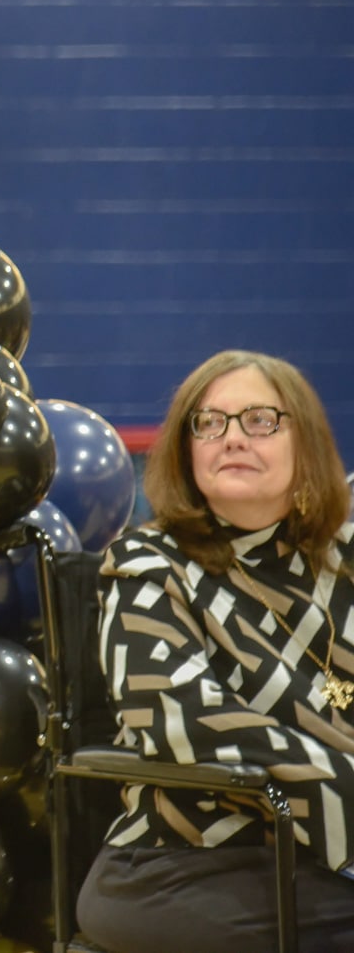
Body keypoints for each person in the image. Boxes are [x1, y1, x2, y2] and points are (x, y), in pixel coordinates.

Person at [79, 350, 354, 953]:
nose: (232, 438)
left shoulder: (340, 560)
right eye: (209, 423)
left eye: (260, 420)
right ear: (186, 451)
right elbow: (179, 721)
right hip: (189, 861)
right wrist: (337, 787)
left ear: (304, 444)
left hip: (322, 859)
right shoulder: (146, 566)